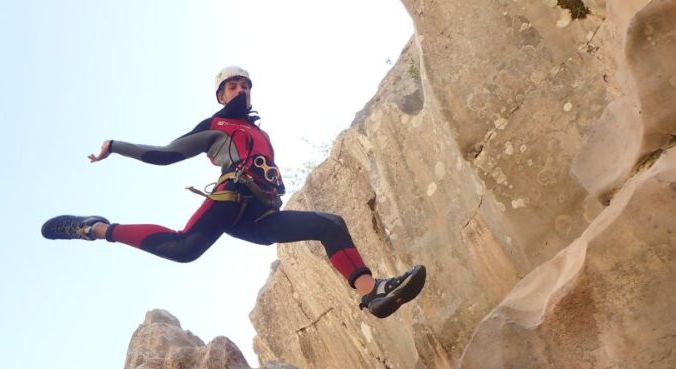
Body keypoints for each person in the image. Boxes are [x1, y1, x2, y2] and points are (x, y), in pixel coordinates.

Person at [41, 66, 426, 318]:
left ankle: (372, 291)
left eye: (245, 85)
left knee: (330, 224)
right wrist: (116, 145)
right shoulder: (216, 124)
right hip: (230, 196)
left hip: (261, 215)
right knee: (184, 248)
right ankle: (96, 227)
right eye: (232, 85)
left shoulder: (260, 133)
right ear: (221, 95)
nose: (240, 89)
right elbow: (164, 155)